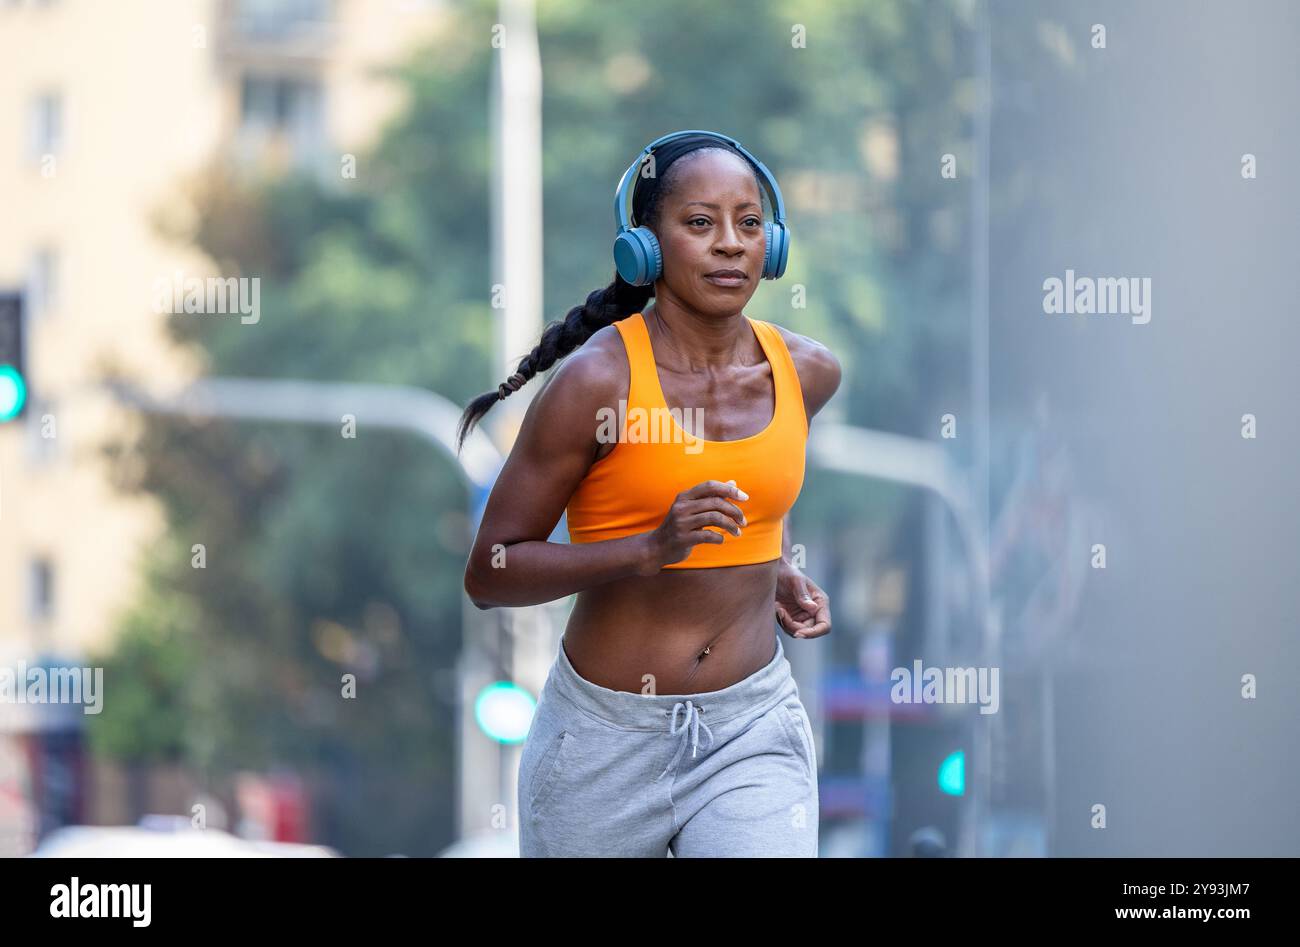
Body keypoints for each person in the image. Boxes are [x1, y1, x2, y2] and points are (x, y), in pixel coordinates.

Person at [458, 130, 841, 857]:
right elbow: (490, 571)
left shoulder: (807, 372)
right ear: (646, 245)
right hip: (603, 740)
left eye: (750, 223)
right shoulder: (594, 384)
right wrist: (645, 550)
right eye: (700, 223)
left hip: (750, 728)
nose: (731, 244)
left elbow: (755, 499)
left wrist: (773, 568)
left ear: (776, 242)